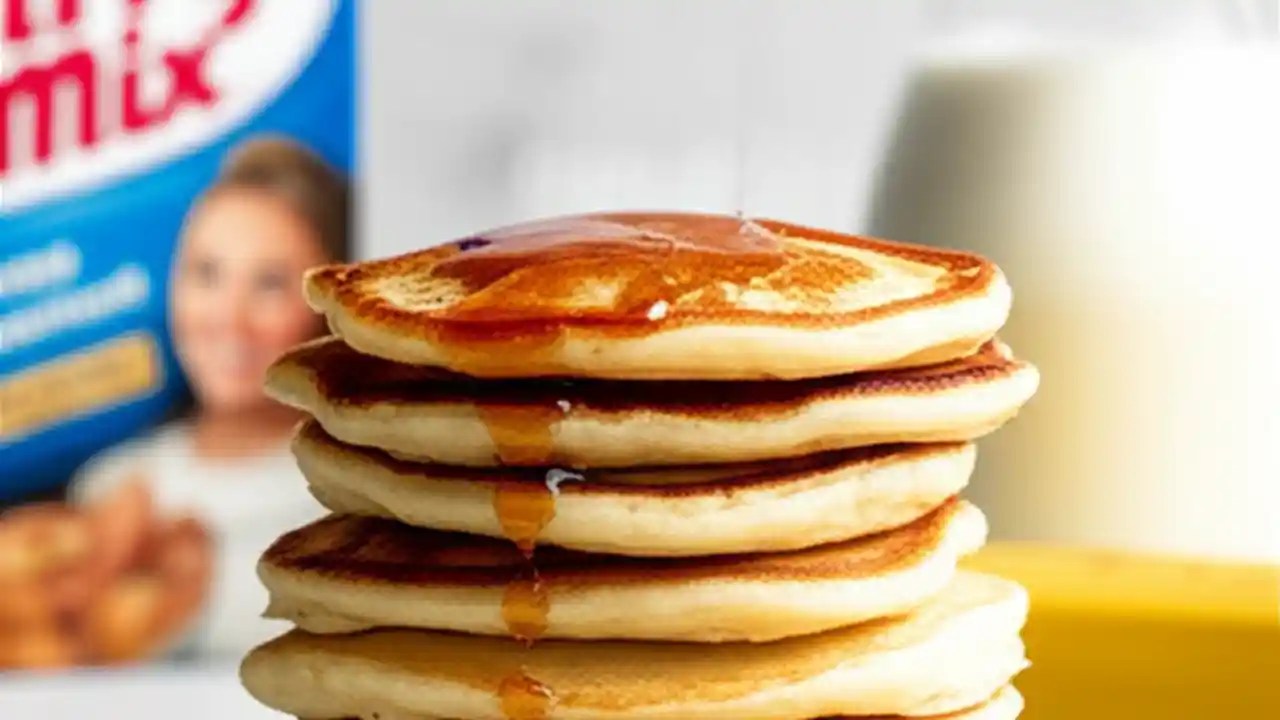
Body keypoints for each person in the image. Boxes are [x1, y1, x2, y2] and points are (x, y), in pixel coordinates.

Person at [70, 136, 351, 659]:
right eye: (207, 274)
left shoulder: (359, 496)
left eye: (270, 283)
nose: (229, 318)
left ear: (328, 311)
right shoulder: (112, 486)